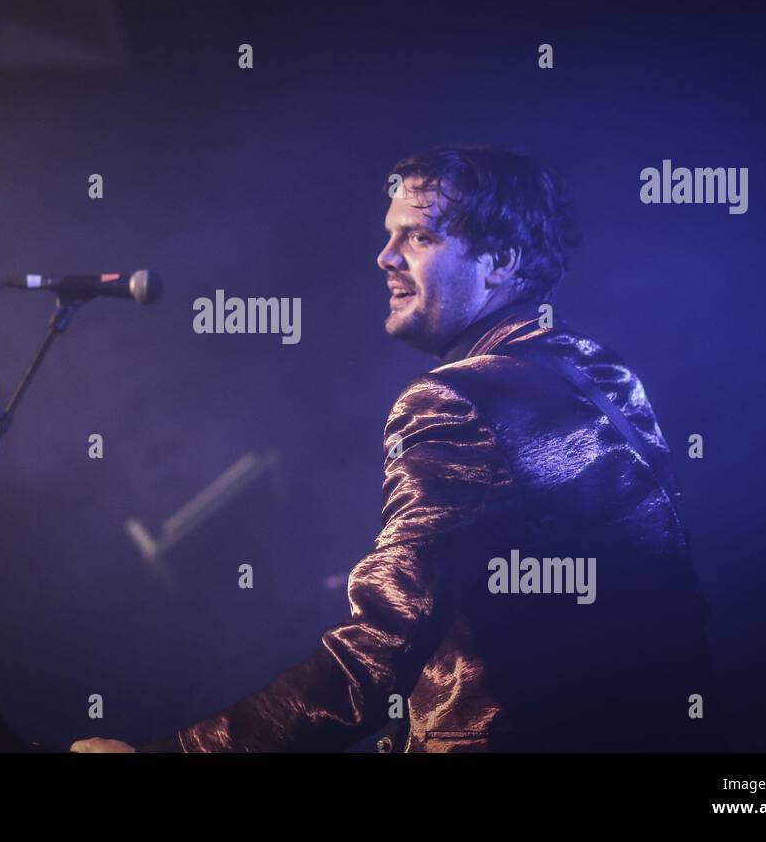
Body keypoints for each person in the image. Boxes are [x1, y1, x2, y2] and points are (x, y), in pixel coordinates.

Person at [72, 145, 719, 753]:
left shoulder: (456, 400)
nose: (385, 257)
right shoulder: (600, 374)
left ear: (501, 261)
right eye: (389, 235)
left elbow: (375, 654)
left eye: (420, 236)